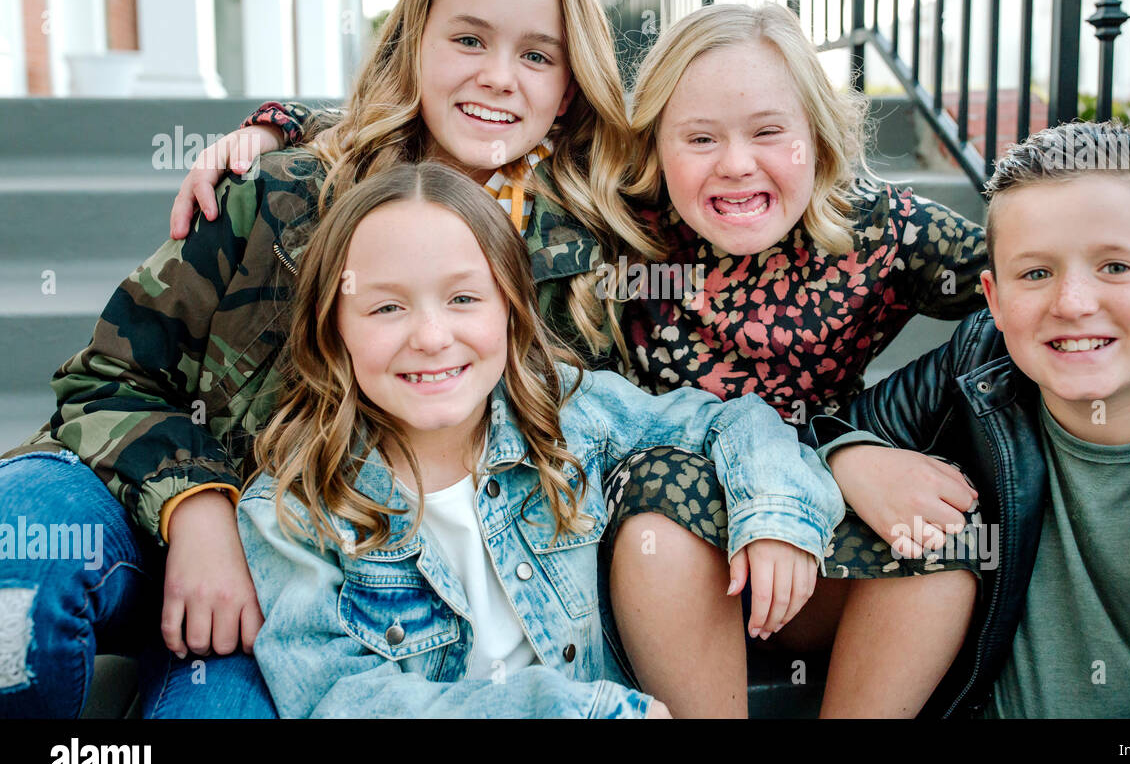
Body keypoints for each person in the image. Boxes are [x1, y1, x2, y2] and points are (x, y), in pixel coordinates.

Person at [175, 3, 1130, 718]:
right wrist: (277, 123)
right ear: (651, 151)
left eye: (769, 132)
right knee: (665, 506)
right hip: (661, 514)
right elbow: (462, 122)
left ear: (819, 138)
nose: (736, 165)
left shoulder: (880, 231)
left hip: (814, 498)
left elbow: (1066, 282)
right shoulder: (611, 226)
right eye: (697, 138)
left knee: (950, 543)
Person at [0, 0, 658, 718]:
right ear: (412, 46)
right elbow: (106, 376)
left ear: (568, 88)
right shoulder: (277, 194)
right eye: (468, 40)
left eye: (536, 55)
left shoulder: (573, 264)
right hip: (147, 511)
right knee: (19, 555)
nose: (498, 77)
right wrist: (197, 508)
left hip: (311, 594)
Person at [239, 161, 840, 718]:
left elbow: (726, 421)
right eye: (387, 307)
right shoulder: (294, 507)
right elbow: (339, 699)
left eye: (464, 299)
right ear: (333, 326)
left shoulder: (568, 416)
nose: (430, 336)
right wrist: (564, 710)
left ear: (510, 309)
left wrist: (775, 514)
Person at [817, 122, 1130, 717]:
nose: (1072, 304)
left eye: (1115, 268)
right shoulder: (975, 369)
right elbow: (815, 432)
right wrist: (850, 458)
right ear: (992, 299)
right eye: (1036, 273)